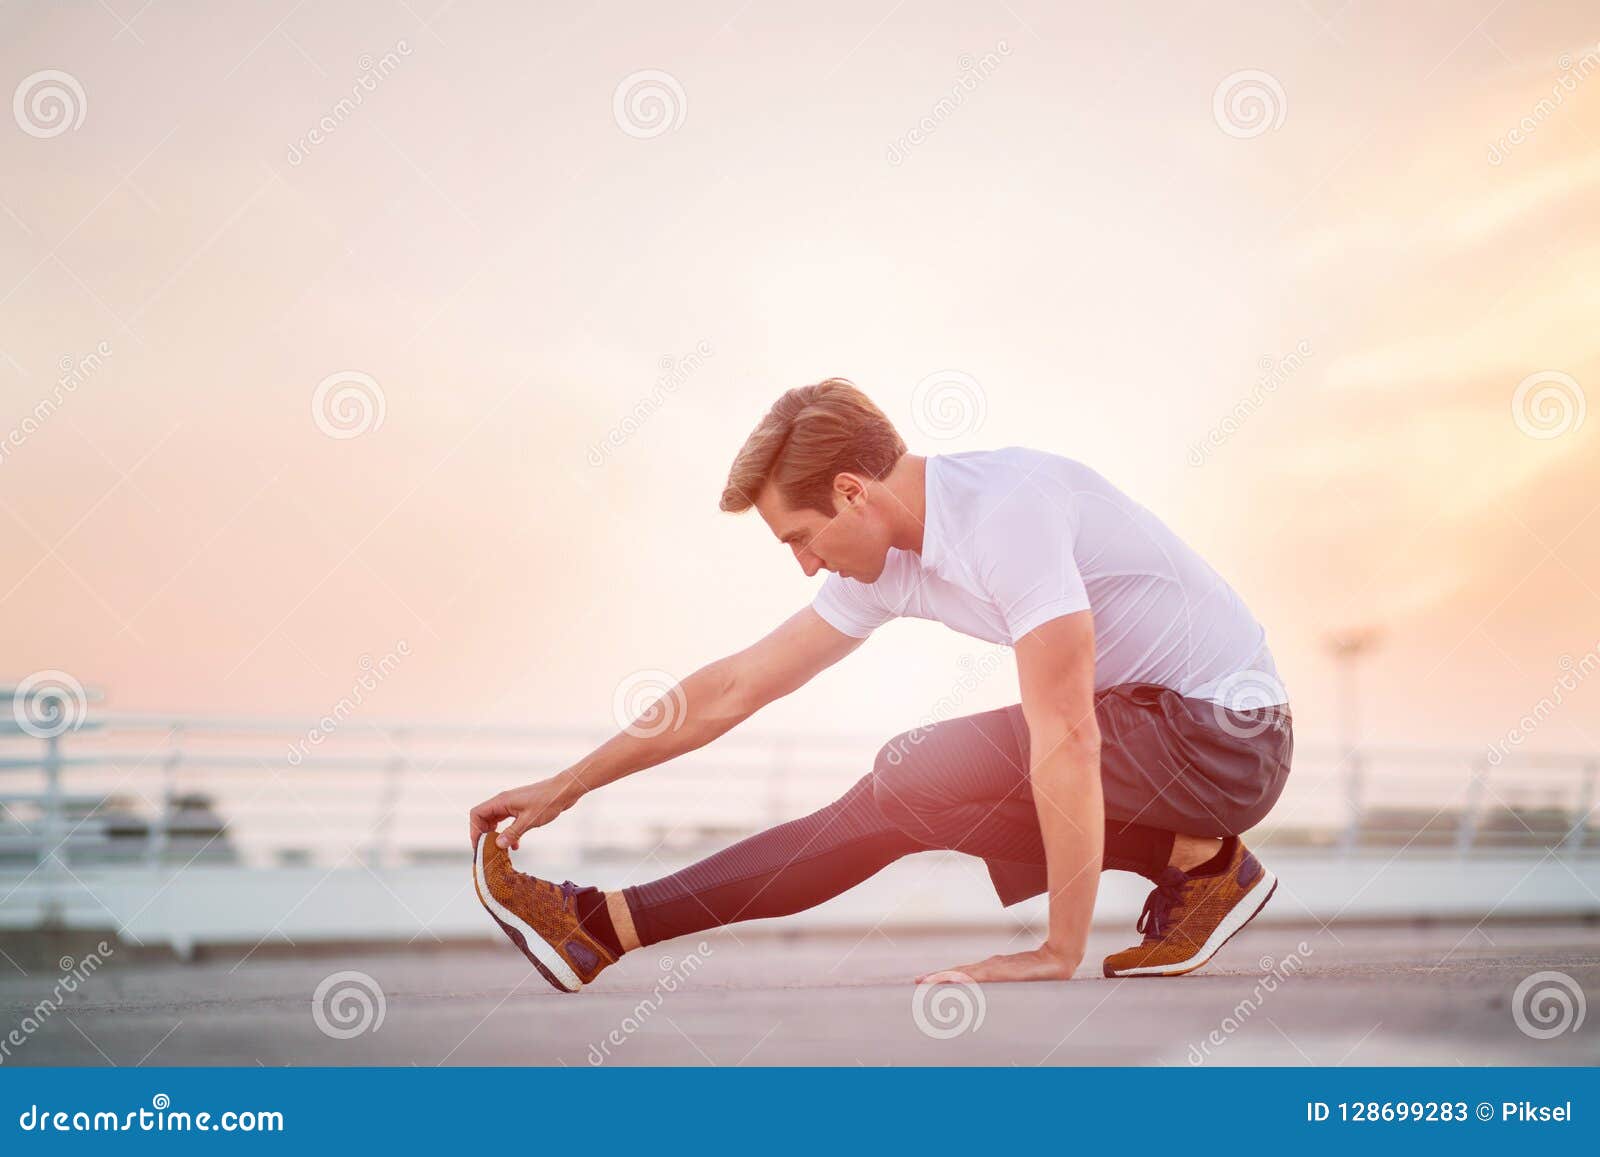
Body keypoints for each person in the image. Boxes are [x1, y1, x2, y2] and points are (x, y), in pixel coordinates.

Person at [469, 378, 1293, 992]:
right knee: (914, 794)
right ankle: (1200, 862)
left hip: (1230, 733)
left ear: (852, 492)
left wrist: (1057, 950)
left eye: (801, 537)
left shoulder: (1009, 514)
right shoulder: (883, 562)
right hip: (1157, 728)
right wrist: (566, 785)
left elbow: (1070, 734)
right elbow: (735, 686)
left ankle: (600, 926)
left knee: (912, 771)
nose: (805, 563)